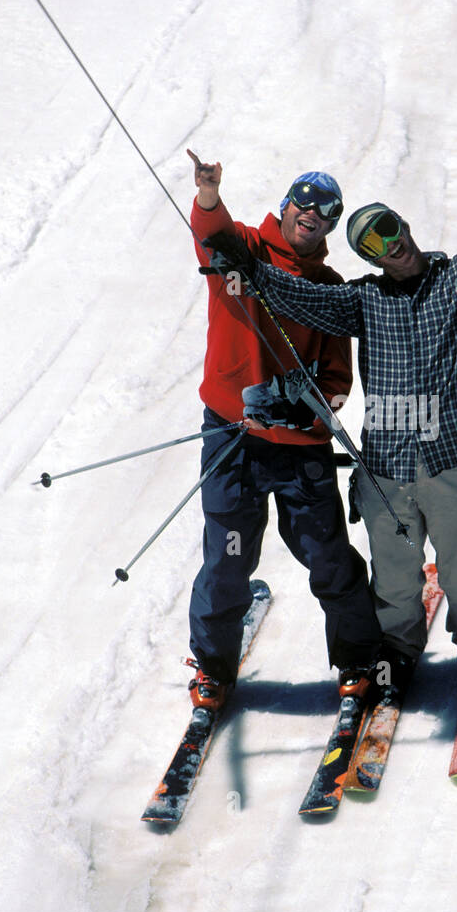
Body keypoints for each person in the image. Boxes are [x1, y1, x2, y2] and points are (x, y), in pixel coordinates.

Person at [196, 111, 457, 697]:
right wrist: (253, 270)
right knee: (394, 575)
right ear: (367, 258)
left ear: (406, 226)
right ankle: (395, 651)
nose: (390, 243)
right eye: (372, 241)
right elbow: (302, 293)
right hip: (388, 470)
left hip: (453, 459)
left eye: (391, 227)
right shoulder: (362, 301)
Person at [184, 150, 382, 710]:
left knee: (329, 558)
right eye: (305, 199)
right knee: (228, 559)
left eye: (328, 209)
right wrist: (207, 193)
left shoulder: (328, 285)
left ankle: (359, 662)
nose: (314, 211)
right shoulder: (243, 251)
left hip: (300, 447)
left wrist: (318, 409)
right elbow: (210, 230)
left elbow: (339, 376)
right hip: (233, 437)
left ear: (330, 225)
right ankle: (213, 669)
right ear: (287, 205)